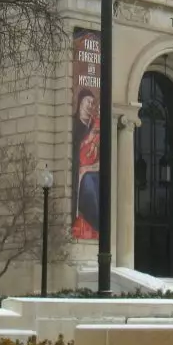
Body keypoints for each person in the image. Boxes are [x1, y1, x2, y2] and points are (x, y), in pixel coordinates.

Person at [72, 89, 100, 239]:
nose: (90, 105)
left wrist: (87, 168)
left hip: (91, 172)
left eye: (92, 102)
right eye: (87, 101)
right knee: (89, 183)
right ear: (80, 103)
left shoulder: (95, 128)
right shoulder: (73, 124)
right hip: (77, 176)